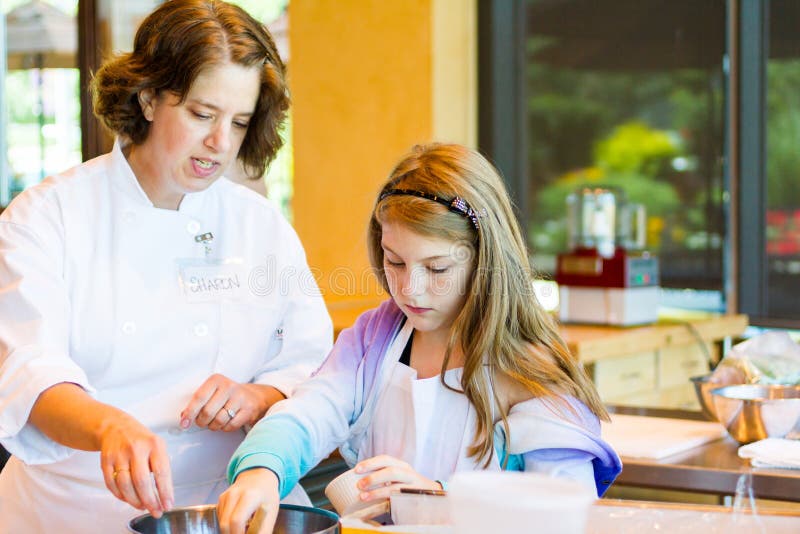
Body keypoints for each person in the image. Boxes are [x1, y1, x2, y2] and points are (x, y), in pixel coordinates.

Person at [0, 1, 332, 531]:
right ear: (149, 97)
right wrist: (109, 427)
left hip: (233, 509)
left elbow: (313, 366)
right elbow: (27, 372)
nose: (221, 143)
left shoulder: (260, 226)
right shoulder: (46, 218)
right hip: (77, 512)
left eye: (239, 121)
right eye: (202, 114)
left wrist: (256, 396)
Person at [217, 143, 622, 533]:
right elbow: (308, 413)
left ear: (485, 259)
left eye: (437, 269)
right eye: (395, 262)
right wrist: (262, 468)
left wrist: (438, 501)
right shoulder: (376, 338)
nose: (410, 289)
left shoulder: (533, 375)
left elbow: (569, 518)